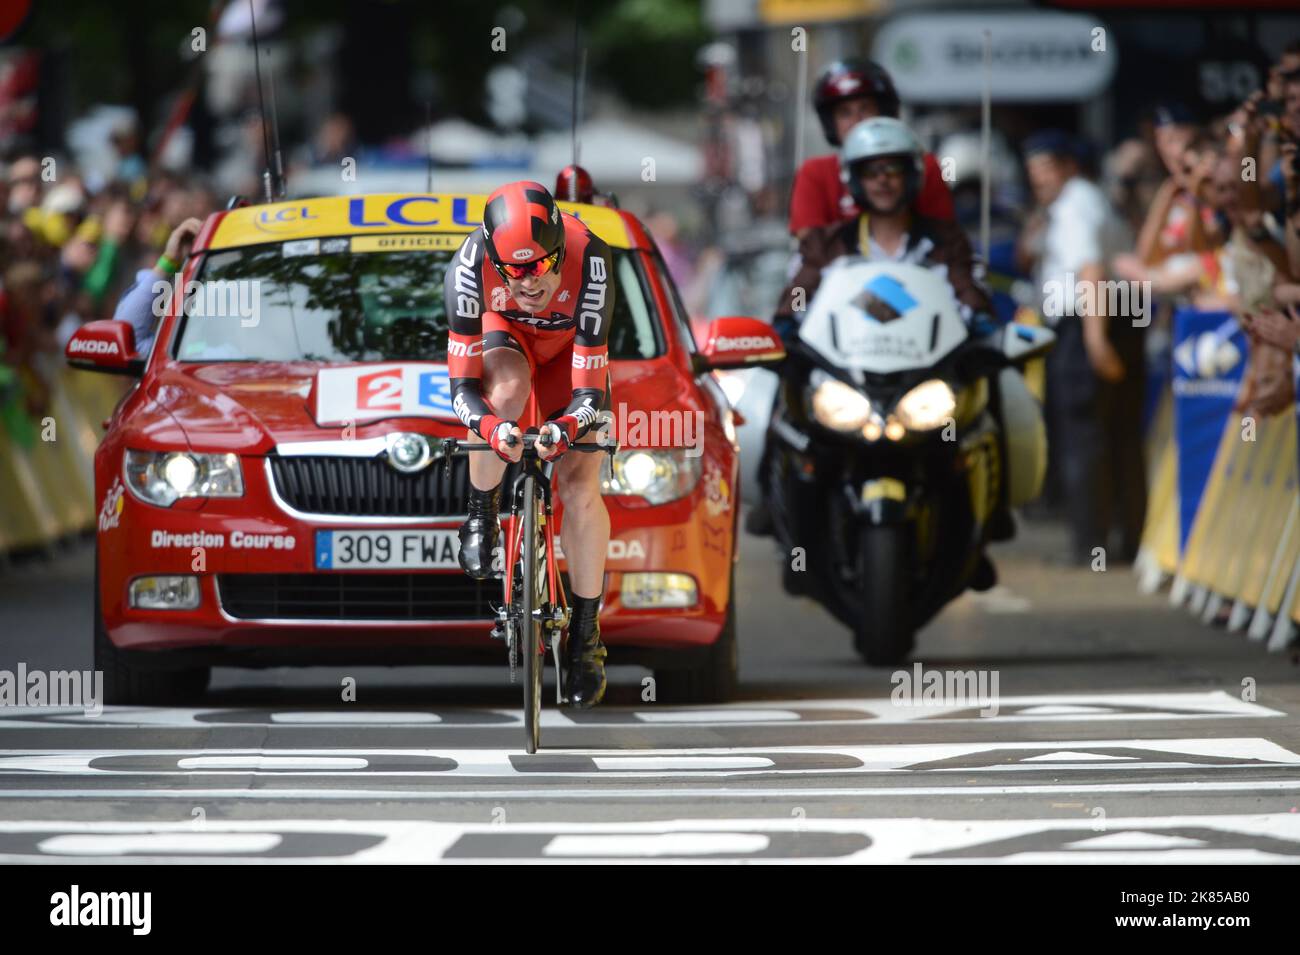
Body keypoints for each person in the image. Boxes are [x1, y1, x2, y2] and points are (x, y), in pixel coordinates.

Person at [444, 180, 615, 708]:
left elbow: (589, 393)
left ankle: (586, 638)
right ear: (494, 258)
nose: (530, 282)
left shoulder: (593, 260)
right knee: (507, 391)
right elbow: (463, 391)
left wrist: (566, 428)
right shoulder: (468, 269)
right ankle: (481, 513)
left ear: (562, 248)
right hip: (508, 340)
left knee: (581, 480)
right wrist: (494, 429)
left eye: (542, 265)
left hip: (570, 349)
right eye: (515, 270)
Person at [1022, 130, 1144, 566]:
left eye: (1045, 169)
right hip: (1120, 317)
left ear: (1069, 167)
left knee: (1084, 438)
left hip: (1089, 324)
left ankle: (1091, 545)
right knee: (1119, 437)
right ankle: (1128, 541)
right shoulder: (1086, 201)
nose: (1038, 180)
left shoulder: (1075, 204)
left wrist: (1094, 339)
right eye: (1032, 172)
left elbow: (1090, 270)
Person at [789, 58, 954, 239]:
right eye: (845, 113)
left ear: (885, 113)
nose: (857, 121)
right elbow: (810, 247)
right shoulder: (815, 173)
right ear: (831, 122)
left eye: (866, 109)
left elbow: (944, 241)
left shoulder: (923, 166)